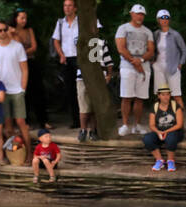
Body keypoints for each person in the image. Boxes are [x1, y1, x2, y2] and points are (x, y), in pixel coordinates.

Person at [0, 17, 31, 155]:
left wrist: (23, 88)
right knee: (7, 125)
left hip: (17, 89)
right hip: (0, 91)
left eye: (5, 29)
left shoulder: (17, 47)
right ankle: (13, 154)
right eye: (0, 30)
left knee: (21, 122)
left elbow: (25, 69)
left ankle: (29, 153)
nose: (3, 32)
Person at [116, 4, 156, 136]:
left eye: (142, 14)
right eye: (137, 13)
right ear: (131, 14)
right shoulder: (123, 28)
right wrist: (134, 62)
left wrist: (141, 61)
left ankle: (137, 125)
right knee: (126, 96)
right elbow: (121, 48)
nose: (140, 16)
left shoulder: (147, 31)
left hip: (144, 67)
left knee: (140, 97)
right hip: (127, 66)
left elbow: (151, 50)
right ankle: (125, 124)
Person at [75, 29, 115, 143]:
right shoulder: (80, 41)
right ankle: (83, 130)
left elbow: (108, 60)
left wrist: (109, 75)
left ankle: (93, 130)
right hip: (82, 77)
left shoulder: (102, 42)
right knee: (84, 105)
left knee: (95, 106)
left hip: (99, 78)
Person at [11, 9, 48, 130]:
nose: (24, 20)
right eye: (21, 18)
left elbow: (34, 47)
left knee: (38, 91)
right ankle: (25, 122)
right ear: (15, 18)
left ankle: (43, 121)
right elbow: (15, 48)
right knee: (23, 92)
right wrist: (15, 34)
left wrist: (22, 53)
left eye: (25, 18)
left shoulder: (29, 30)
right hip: (18, 65)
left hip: (31, 61)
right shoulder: (10, 31)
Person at [53, 0, 82, 128]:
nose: (67, 8)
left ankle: (86, 119)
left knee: (83, 89)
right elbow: (56, 40)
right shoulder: (60, 23)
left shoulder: (81, 21)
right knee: (70, 90)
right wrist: (61, 54)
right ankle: (76, 120)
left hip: (80, 58)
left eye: (70, 5)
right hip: (66, 59)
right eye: (65, 5)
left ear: (75, 8)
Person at [143, 86, 182, 171]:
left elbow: (179, 124)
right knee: (147, 138)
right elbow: (152, 125)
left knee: (171, 138)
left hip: (173, 131)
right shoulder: (155, 106)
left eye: (168, 94)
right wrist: (158, 132)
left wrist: (166, 131)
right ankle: (159, 160)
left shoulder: (175, 105)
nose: (166, 97)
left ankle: (171, 161)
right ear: (158, 96)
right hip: (159, 132)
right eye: (163, 95)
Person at [152, 10, 186, 103]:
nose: (164, 20)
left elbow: (184, 49)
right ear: (158, 20)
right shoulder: (155, 34)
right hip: (158, 67)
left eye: (166, 17)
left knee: (176, 95)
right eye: (162, 18)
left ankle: (180, 117)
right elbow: (152, 49)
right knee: (159, 95)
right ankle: (159, 116)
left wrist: (180, 63)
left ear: (169, 20)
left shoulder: (175, 34)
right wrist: (152, 61)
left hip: (172, 67)